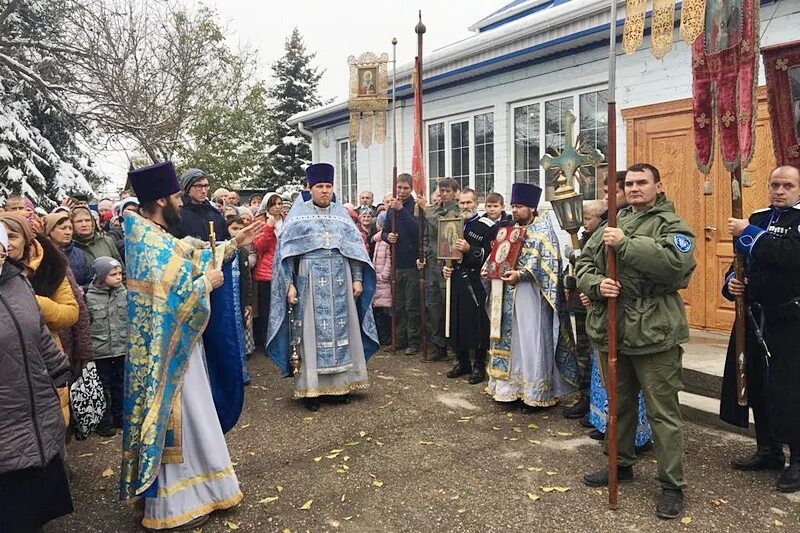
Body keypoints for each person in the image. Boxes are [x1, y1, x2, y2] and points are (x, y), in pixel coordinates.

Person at [121, 161, 263, 530]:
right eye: (174, 197)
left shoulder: (154, 234)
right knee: (182, 418)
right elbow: (174, 294)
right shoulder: (147, 242)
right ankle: (175, 504)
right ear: (158, 200)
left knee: (196, 415)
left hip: (180, 344)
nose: (180, 203)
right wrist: (207, 285)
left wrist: (233, 244)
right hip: (167, 351)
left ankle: (206, 488)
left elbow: (192, 260)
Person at [576, 162, 696, 520]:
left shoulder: (673, 225)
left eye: (643, 182)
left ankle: (672, 484)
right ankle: (620, 464)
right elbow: (584, 265)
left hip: (654, 330)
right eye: (629, 183)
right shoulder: (613, 223)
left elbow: (675, 267)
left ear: (658, 186)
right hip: (612, 328)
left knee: (663, 413)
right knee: (619, 405)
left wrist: (627, 245)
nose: (634, 188)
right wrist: (597, 285)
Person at [267, 163, 379, 411]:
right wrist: (289, 286)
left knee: (344, 331)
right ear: (310, 188)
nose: (325, 191)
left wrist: (358, 278)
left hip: (341, 279)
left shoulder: (342, 217)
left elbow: (355, 253)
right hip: (309, 281)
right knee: (310, 335)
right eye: (320, 187)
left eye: (328, 186)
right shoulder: (297, 217)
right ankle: (312, 390)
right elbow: (285, 257)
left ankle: (340, 385)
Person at [720, 165, 800, 492]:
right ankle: (767, 449)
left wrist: (749, 234)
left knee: (789, 390)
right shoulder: (757, 217)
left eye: (788, 185)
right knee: (755, 384)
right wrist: (731, 285)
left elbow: (790, 256)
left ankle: (798, 460)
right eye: (774, 184)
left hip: (789, 321)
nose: (779, 191)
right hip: (753, 318)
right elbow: (737, 264)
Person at [0, 222, 74, 532]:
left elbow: (38, 332)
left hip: (34, 411)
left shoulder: (16, 281)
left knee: (32, 510)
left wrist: (59, 370)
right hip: (5, 421)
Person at [484, 183, 578, 409]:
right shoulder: (507, 230)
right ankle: (510, 390)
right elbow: (498, 257)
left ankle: (535, 393)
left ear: (532, 208)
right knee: (513, 341)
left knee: (532, 341)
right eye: (514, 206)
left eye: (520, 207)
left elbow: (548, 264)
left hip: (533, 297)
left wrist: (523, 274)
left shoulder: (544, 231)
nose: (515, 211)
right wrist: (488, 267)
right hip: (507, 296)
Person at [442, 188, 497, 383]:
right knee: (456, 321)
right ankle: (462, 361)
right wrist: (445, 268)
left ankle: (479, 365)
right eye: (462, 203)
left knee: (477, 323)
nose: (465, 206)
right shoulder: (453, 224)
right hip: (456, 278)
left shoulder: (487, 226)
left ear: (476, 203)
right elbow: (446, 251)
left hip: (476, 281)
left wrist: (470, 249)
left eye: (469, 202)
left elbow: (492, 255)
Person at [418, 177, 460, 361]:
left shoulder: (457, 211)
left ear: (455, 193)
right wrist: (427, 255)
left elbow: (444, 226)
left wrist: (426, 210)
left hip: (449, 266)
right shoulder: (433, 210)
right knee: (433, 307)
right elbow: (427, 236)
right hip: (432, 266)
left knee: (448, 306)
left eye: (448, 191)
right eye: (441, 190)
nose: (444, 194)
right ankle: (438, 346)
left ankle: (454, 346)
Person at [86, 257, 127, 437]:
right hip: (100, 351)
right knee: (102, 387)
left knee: (120, 384)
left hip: (121, 348)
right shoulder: (89, 297)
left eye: (119, 274)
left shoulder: (124, 292)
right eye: (113, 274)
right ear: (102, 277)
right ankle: (104, 422)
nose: (118, 277)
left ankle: (120, 417)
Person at [382, 174, 422, 355]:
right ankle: (399, 338)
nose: (402, 191)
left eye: (406, 188)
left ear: (411, 188)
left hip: (413, 264)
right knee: (397, 305)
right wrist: (387, 237)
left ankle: (414, 341)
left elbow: (418, 230)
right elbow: (384, 232)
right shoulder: (390, 209)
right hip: (396, 263)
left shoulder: (415, 207)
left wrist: (401, 210)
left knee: (412, 305)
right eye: (399, 187)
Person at [227, 217, 254, 384]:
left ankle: (242, 374)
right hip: (226, 301)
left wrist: (248, 303)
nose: (236, 232)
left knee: (240, 337)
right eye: (233, 228)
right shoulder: (222, 249)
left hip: (239, 300)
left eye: (240, 229)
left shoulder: (242, 251)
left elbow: (246, 278)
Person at [252, 193, 282, 347]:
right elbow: (259, 246)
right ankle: (265, 341)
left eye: (279, 203)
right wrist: (269, 227)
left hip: (282, 270)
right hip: (267, 271)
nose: (278, 206)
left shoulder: (286, 220)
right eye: (274, 204)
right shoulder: (260, 222)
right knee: (266, 309)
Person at [171, 168, 230, 241]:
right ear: (187, 188)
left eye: (206, 186)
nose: (204, 191)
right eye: (198, 186)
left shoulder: (215, 213)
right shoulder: (177, 215)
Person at [44, 211, 94, 288]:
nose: (68, 232)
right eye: (63, 228)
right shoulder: (42, 254)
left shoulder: (79, 253)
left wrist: (82, 289)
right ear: (50, 231)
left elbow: (91, 280)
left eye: (70, 228)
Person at [372, 211, 393, 345]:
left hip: (382, 280)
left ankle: (387, 337)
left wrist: (383, 276)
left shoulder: (385, 242)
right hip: (378, 279)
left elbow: (388, 259)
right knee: (379, 310)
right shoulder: (379, 241)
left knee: (385, 311)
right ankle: (383, 336)